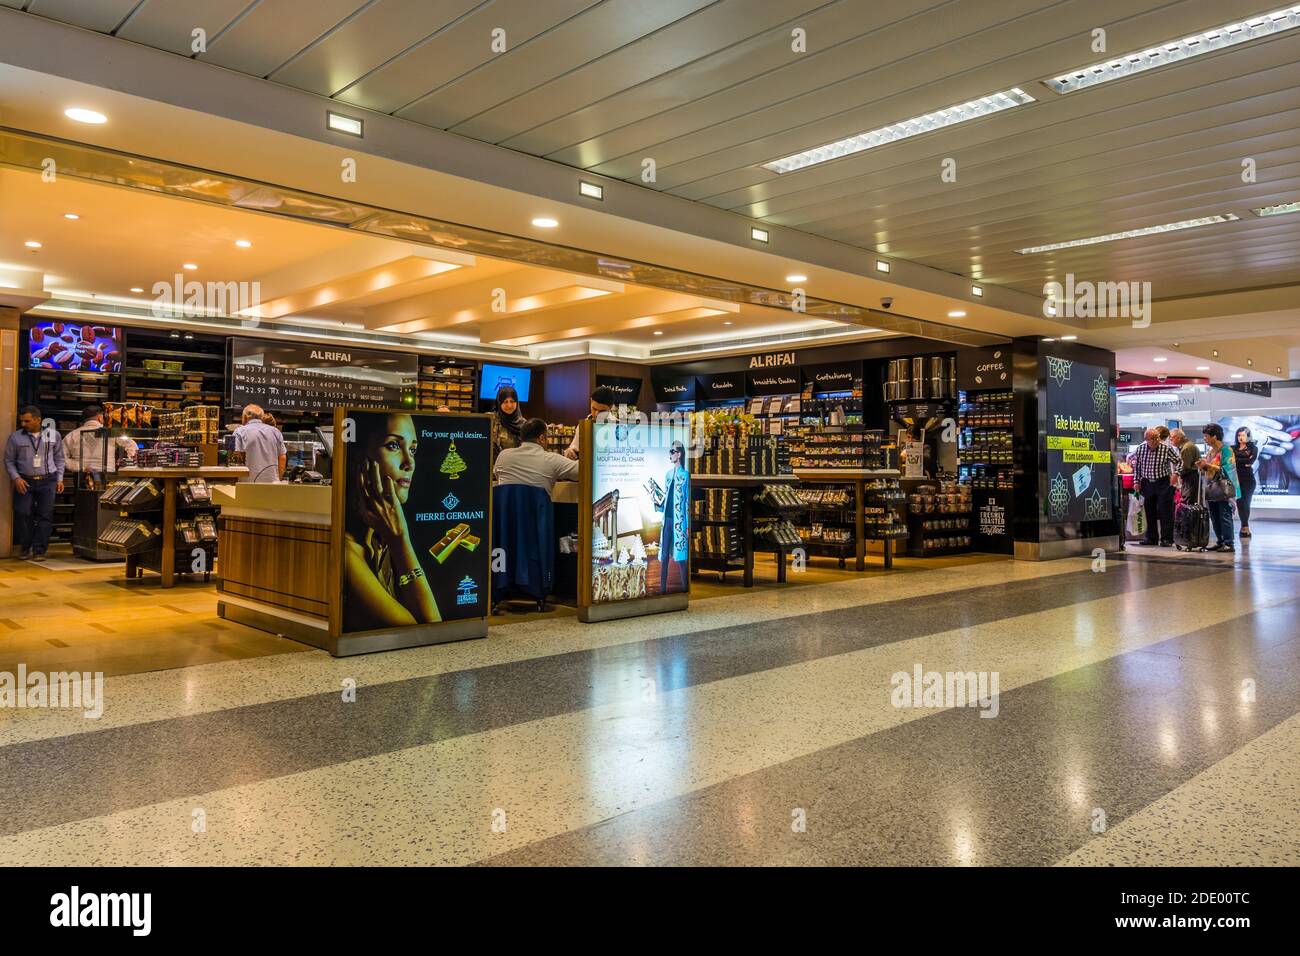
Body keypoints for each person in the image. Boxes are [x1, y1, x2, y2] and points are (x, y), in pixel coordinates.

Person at [342, 413, 441, 630]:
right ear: (357, 459)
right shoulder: (346, 554)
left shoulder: (377, 540)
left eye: (413, 449)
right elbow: (430, 629)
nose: (409, 462)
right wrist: (400, 539)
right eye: (394, 445)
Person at [4, 405, 65, 561]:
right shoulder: (15, 437)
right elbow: (9, 461)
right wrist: (16, 478)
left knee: (45, 515)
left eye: (27, 421)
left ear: (39, 420)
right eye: (22, 421)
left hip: (48, 480)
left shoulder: (54, 435)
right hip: (25, 481)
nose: (23, 424)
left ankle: (39, 550)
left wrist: (59, 478)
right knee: (23, 513)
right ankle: (25, 547)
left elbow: (59, 458)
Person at [493, 418, 578, 494]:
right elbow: (582, 471)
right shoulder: (551, 459)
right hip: (538, 511)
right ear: (541, 438)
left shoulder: (503, 456)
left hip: (506, 511)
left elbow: (497, 476)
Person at [64, 404, 138, 488]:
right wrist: (126, 461)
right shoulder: (111, 432)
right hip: (107, 476)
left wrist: (79, 467)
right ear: (99, 417)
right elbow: (131, 445)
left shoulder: (72, 435)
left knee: (84, 500)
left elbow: (61, 458)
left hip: (81, 477)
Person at [1129, 427, 1179, 547]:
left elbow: (1179, 461)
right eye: (1153, 439)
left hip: (1163, 483)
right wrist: (1136, 481)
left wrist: (1176, 474)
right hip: (1147, 483)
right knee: (1149, 512)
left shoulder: (1166, 448)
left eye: (1157, 437)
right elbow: (1138, 467)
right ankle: (1151, 538)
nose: (1156, 440)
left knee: (1165, 512)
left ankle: (1167, 539)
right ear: (1146, 439)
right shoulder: (1140, 449)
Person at [1197, 423, 1240, 552]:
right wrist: (1202, 466)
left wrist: (1208, 466)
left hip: (1225, 488)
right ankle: (1220, 541)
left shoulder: (1226, 450)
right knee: (1214, 516)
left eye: (1206, 436)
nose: (1204, 438)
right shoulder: (1211, 451)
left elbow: (1228, 468)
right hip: (1213, 488)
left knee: (1224, 515)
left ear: (1214, 436)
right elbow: (1209, 469)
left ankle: (1229, 543)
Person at [655, 439, 689, 594]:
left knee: (681, 556)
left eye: (672, 452)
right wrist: (656, 498)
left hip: (679, 520)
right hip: (667, 520)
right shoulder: (668, 475)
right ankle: (662, 589)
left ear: (679, 454)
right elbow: (665, 499)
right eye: (670, 452)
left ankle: (684, 589)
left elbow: (687, 502)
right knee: (664, 555)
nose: (670, 454)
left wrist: (688, 525)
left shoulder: (685, 476)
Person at [233, 403, 286, 483]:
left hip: (247, 484)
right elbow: (282, 457)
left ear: (245, 417)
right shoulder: (275, 431)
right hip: (272, 484)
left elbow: (235, 456)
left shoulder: (239, 431)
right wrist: (278, 478)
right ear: (261, 417)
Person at [564, 385, 616, 460]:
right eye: (594, 409)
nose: (596, 414)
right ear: (591, 401)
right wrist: (570, 451)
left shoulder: (617, 426)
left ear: (610, 407)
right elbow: (574, 447)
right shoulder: (584, 424)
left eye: (602, 411)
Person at [1233, 426, 1258, 538]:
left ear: (1248, 436)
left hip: (1248, 479)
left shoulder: (1253, 447)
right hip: (1236, 479)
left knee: (1246, 503)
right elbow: (1232, 462)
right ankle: (1244, 526)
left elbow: (1250, 461)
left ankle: (1245, 526)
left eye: (1242, 435)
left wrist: (1237, 460)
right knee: (1239, 503)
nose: (1240, 437)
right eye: (1238, 435)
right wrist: (1243, 461)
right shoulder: (1232, 448)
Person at [492, 386, 526, 461]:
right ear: (499, 403)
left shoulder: (524, 425)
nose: (509, 405)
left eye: (512, 401)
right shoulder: (491, 420)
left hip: (517, 468)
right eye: (505, 402)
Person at [1170, 428, 1201, 505]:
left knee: (1189, 503)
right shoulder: (1187, 446)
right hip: (1190, 478)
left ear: (1179, 437)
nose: (1170, 439)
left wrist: (1176, 475)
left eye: (1172, 437)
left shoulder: (1186, 448)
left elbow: (1185, 467)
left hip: (1190, 478)